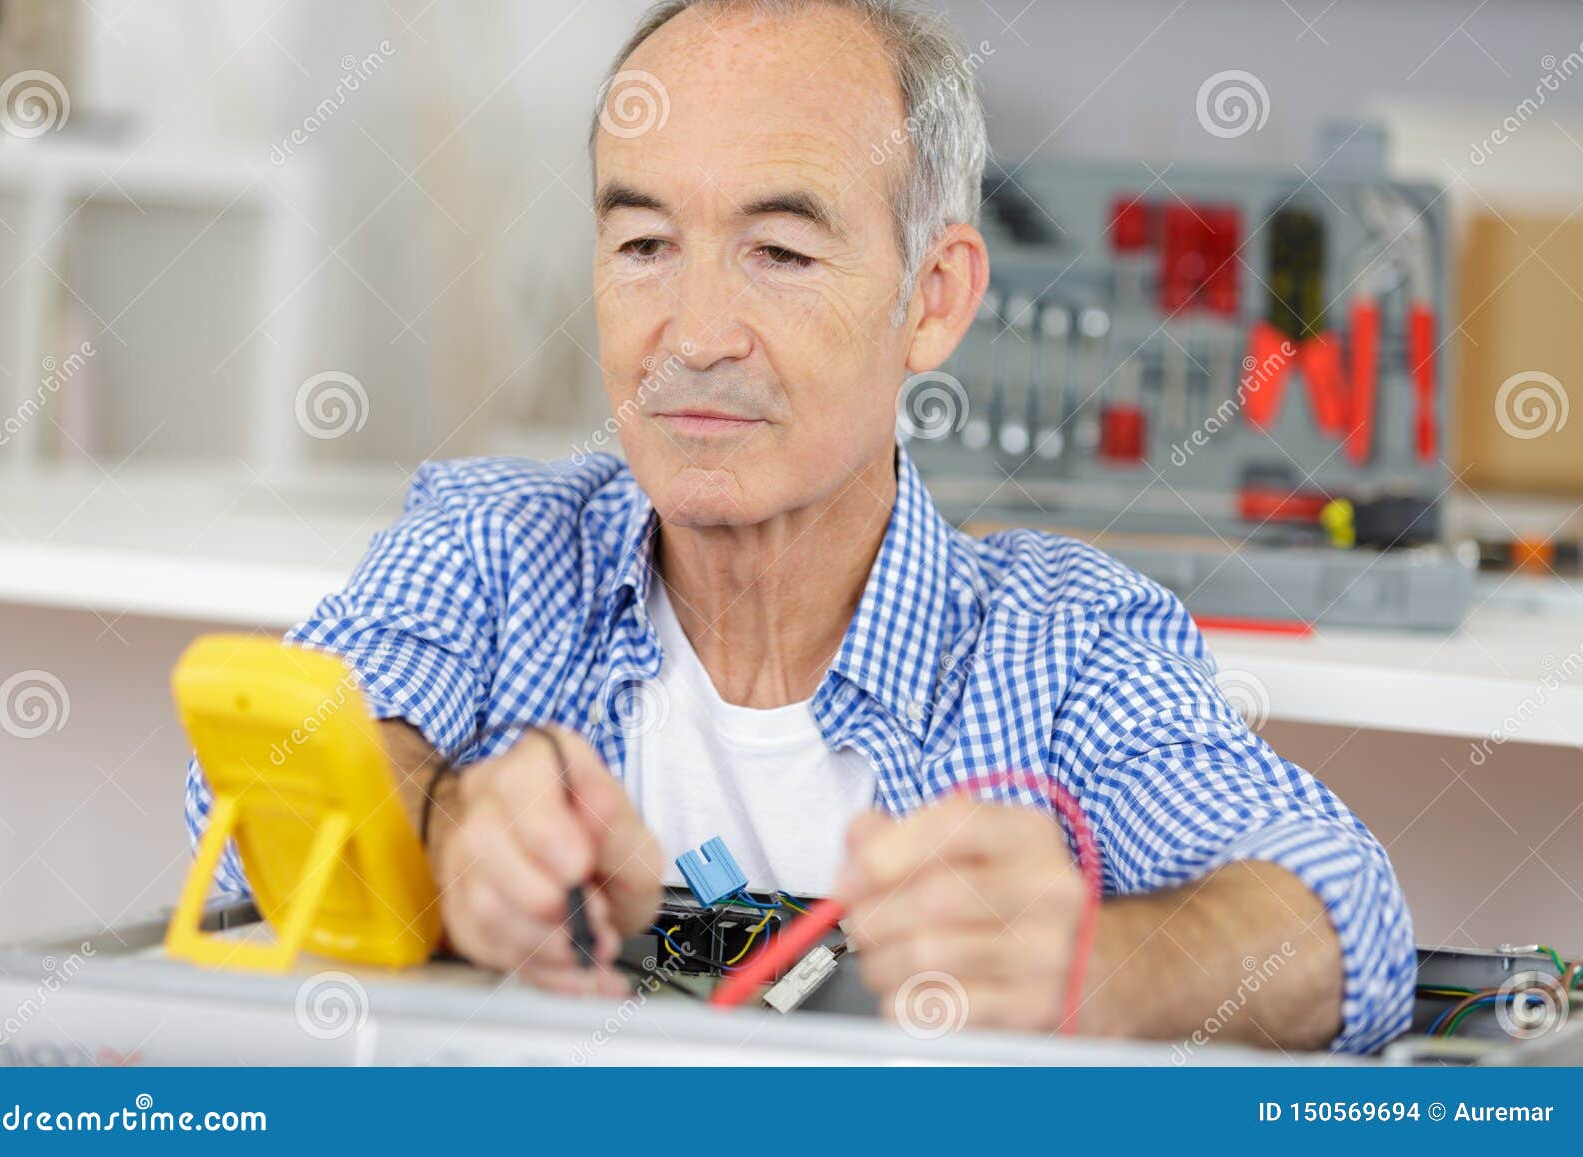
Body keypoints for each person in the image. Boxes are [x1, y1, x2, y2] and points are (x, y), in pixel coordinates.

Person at [186, 0, 1414, 1052]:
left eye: (776, 250)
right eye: (644, 244)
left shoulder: (1066, 643)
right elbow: (267, 771)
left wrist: (1107, 968)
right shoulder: (493, 545)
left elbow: (1342, 913)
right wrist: (448, 833)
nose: (696, 330)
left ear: (931, 302)